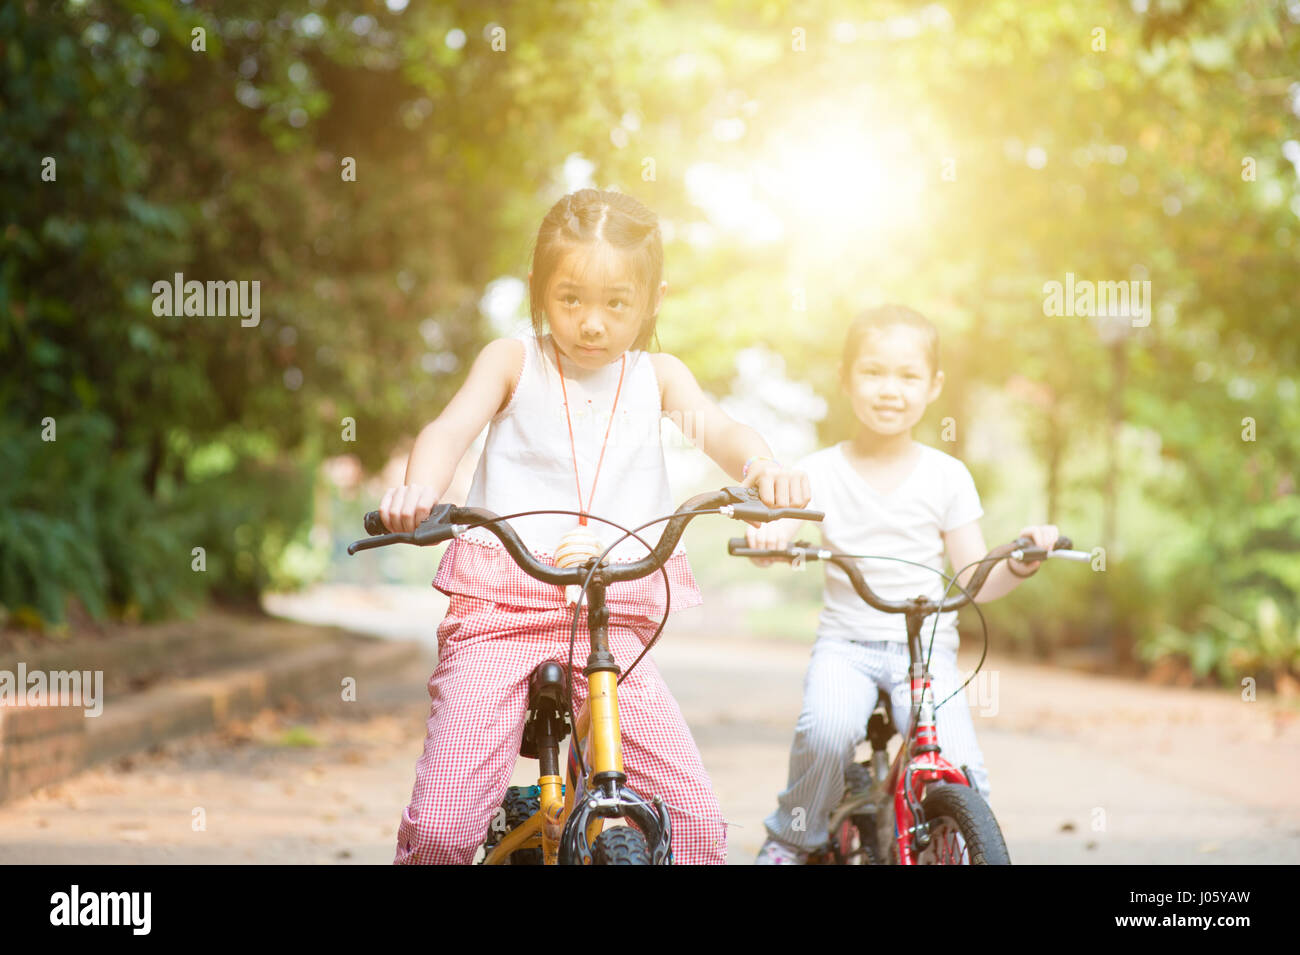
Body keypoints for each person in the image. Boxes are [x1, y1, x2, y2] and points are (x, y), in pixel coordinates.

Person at [381, 188, 810, 864]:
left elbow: (723, 430)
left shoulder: (659, 378)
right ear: (537, 287)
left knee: (695, 824)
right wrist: (416, 489)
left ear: (653, 299)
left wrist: (764, 468)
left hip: (612, 623)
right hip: (503, 608)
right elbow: (448, 429)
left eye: (617, 303)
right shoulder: (511, 361)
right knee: (441, 828)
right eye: (571, 297)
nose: (591, 323)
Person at [748, 304, 1058, 864]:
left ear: (933, 386)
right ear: (846, 379)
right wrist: (771, 540)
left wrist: (1020, 560)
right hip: (849, 645)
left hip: (928, 649)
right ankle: (792, 838)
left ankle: (961, 845)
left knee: (964, 766)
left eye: (908, 376)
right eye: (873, 372)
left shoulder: (946, 475)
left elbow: (974, 579)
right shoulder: (819, 471)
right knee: (827, 731)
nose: (890, 390)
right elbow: (785, 532)